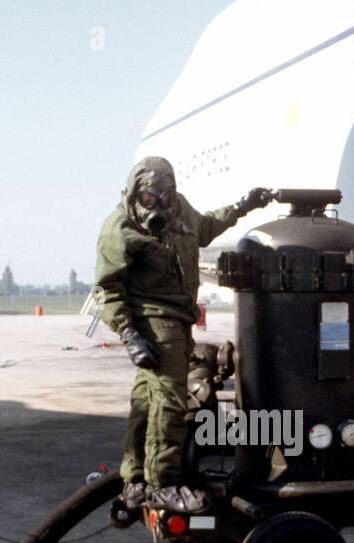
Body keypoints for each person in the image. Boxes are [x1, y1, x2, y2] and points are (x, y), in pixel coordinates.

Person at [95, 156, 271, 512]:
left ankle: (135, 481)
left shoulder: (178, 211)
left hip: (179, 319)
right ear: (134, 194)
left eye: (165, 198)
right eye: (149, 199)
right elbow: (107, 289)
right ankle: (163, 484)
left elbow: (204, 228)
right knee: (170, 402)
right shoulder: (119, 228)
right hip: (152, 322)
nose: (158, 206)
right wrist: (130, 335)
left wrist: (243, 206)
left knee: (146, 402)